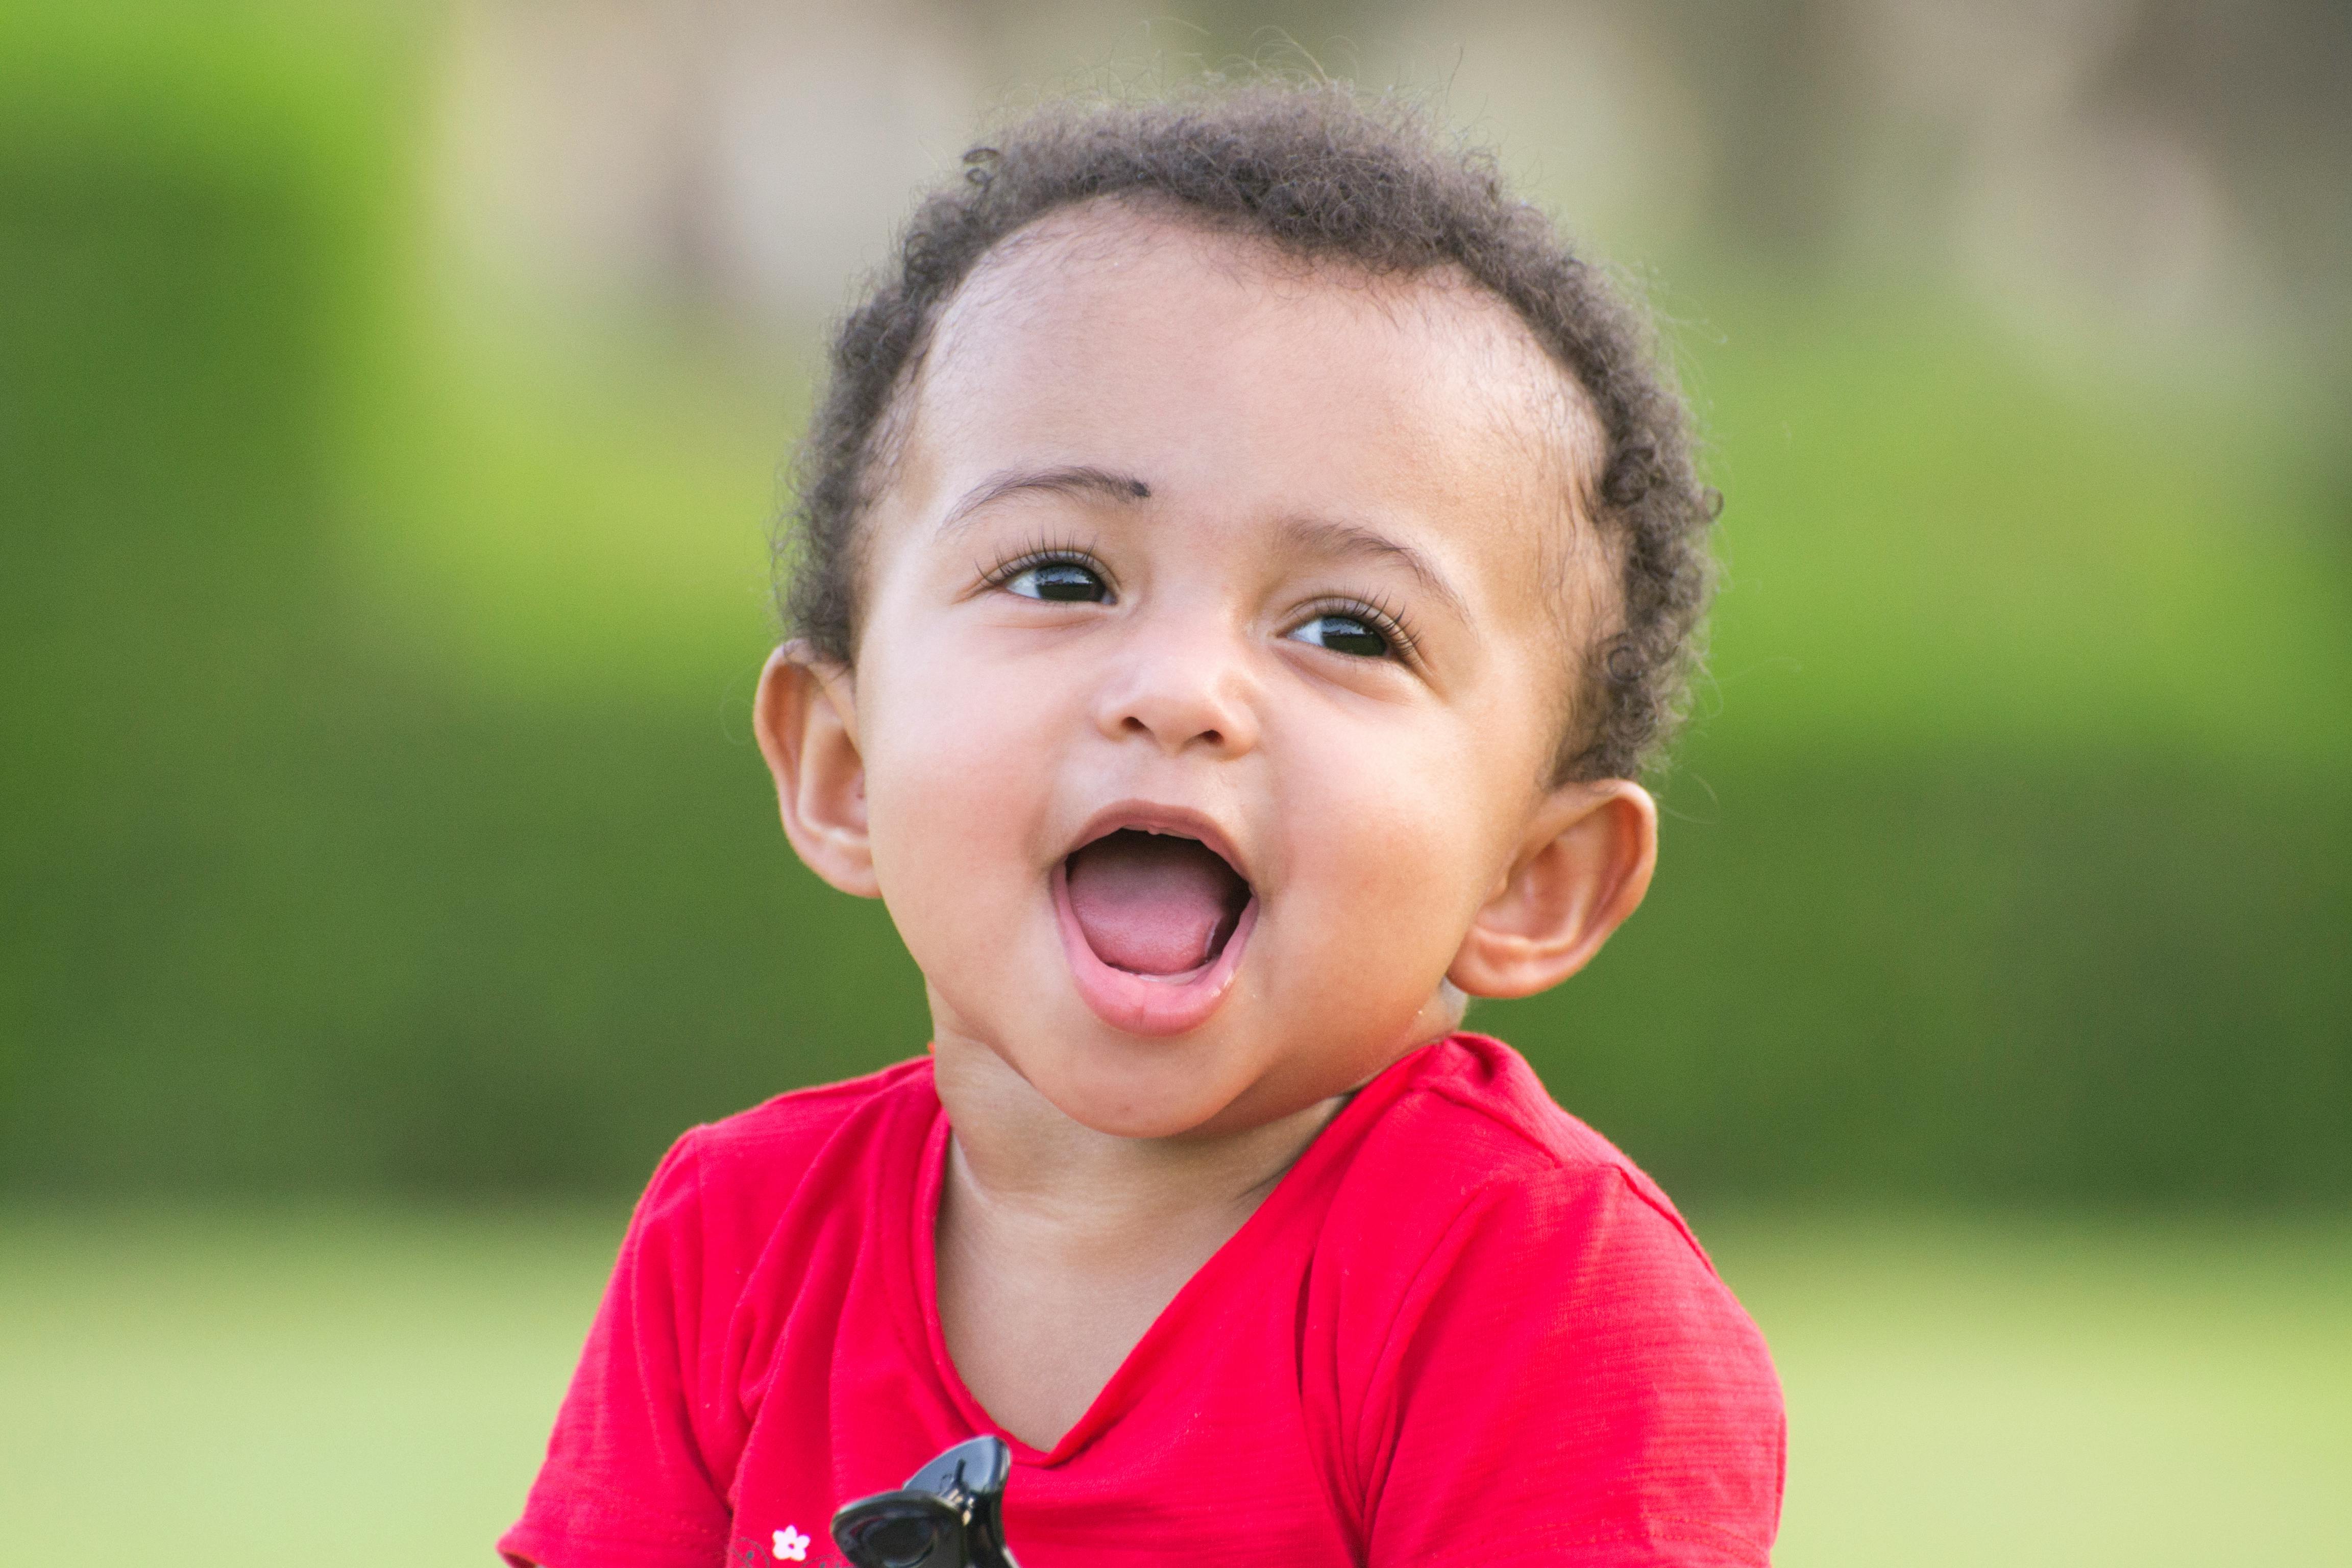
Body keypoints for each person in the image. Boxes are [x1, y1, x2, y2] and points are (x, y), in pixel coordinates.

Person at [502, 80, 1783, 1568]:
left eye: (1351, 629)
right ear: (842, 766)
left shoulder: (1539, 1298)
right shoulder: (735, 1244)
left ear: (1534, 880)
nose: (1181, 691)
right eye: (1063, 577)